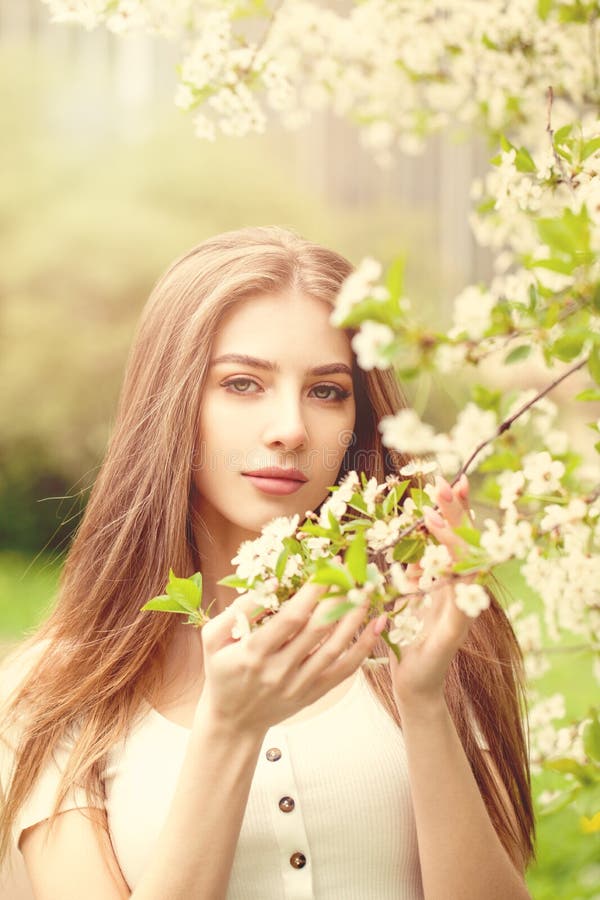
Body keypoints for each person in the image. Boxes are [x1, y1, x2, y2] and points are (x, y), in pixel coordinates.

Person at [0, 225, 533, 899]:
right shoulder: (53, 693)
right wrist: (229, 729)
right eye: (243, 383)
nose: (290, 428)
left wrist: (423, 702)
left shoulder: (440, 634)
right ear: (172, 406)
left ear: (359, 423)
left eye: (327, 390)